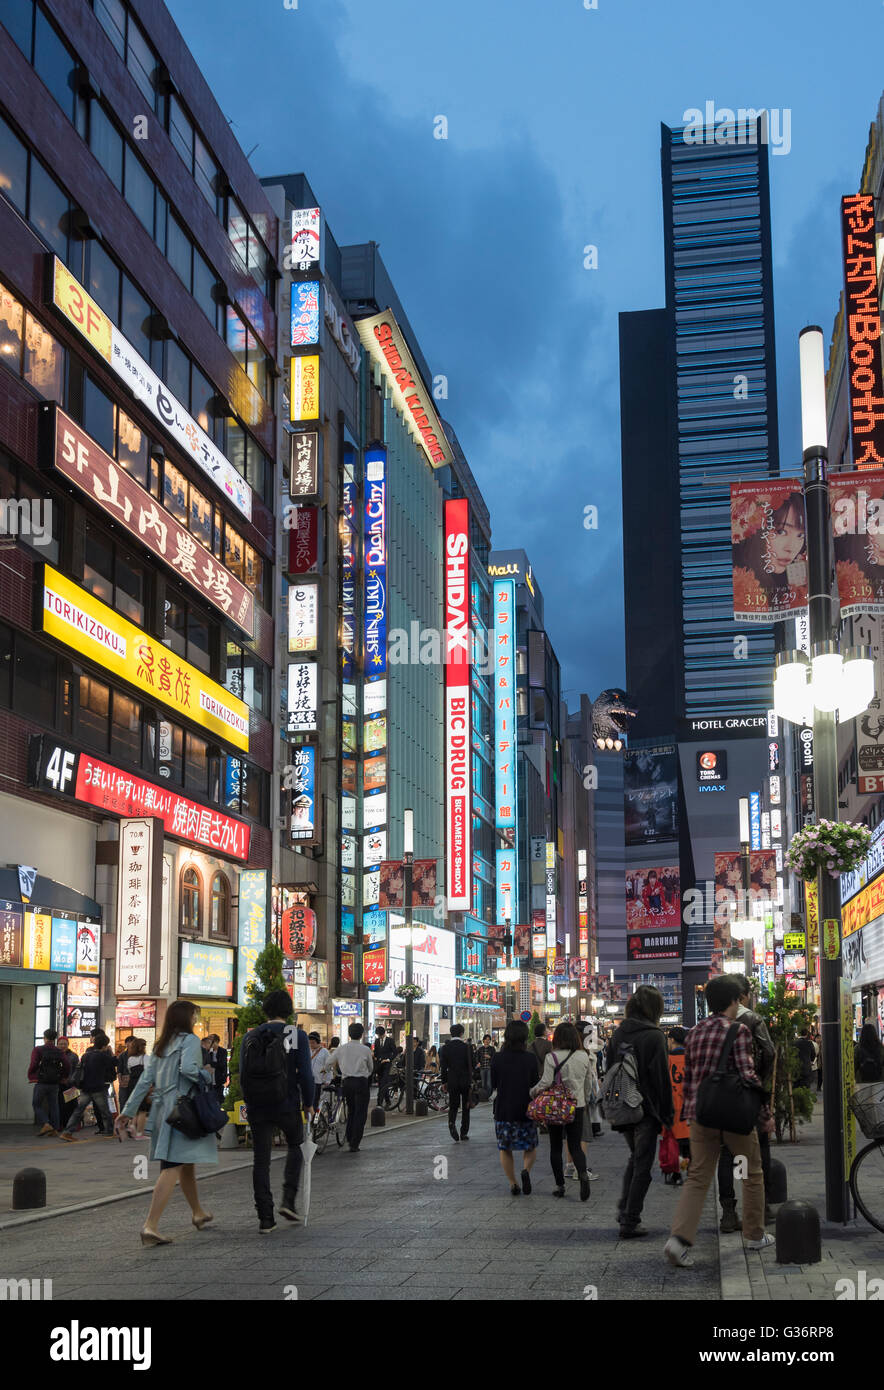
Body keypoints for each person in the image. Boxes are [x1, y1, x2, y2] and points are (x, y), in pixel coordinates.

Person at [664, 976, 773, 1269]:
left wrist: (688, 1114)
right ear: (735, 1001)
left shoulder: (695, 1032)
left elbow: (691, 1078)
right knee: (751, 1171)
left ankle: (678, 1240)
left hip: (702, 1114)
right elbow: (748, 1076)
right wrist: (764, 1114)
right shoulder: (738, 1031)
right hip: (734, 1114)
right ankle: (754, 1235)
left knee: (699, 1177)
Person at [116, 1000, 216, 1243]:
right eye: (194, 1015)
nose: (195, 1020)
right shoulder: (190, 1040)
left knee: (185, 1162)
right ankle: (150, 1225)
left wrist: (128, 1110)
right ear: (185, 1018)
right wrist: (207, 1074)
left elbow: (145, 1081)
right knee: (172, 1166)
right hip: (181, 1109)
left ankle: (198, 1212)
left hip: (162, 1111)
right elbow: (190, 1070)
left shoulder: (161, 1044)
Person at [239, 989, 313, 1234]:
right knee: (296, 1145)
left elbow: (242, 1073)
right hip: (287, 1103)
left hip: (258, 1106)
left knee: (261, 1161)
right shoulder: (296, 1035)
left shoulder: (252, 1035)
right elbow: (305, 1072)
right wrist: (309, 1101)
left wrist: (249, 1102)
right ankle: (288, 1200)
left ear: (265, 1010)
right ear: (288, 1010)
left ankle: (265, 1218)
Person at [606, 985, 673, 1238]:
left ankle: (625, 1209)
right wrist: (668, 1114)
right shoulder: (655, 1036)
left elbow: (611, 1066)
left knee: (636, 1159)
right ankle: (630, 1220)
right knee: (643, 1164)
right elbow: (660, 1079)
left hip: (623, 1106)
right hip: (646, 1109)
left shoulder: (619, 1033)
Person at [716, 975, 776, 1230]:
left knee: (727, 1154)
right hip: (749, 1093)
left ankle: (729, 1212)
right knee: (757, 1152)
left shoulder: (713, 1021)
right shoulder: (752, 1019)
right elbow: (770, 1052)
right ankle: (761, 1208)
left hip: (722, 1096)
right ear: (740, 995)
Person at [531, 1021, 593, 1200]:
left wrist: (533, 1092)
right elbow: (588, 1083)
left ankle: (560, 1185)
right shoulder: (583, 1056)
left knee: (556, 1147)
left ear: (557, 1038)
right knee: (575, 1145)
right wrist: (585, 1099)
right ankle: (582, 1175)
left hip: (556, 1106)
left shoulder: (552, 1057)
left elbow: (545, 1082)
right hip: (577, 1105)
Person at [490, 1019, 540, 1194]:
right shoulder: (530, 1059)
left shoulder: (497, 1058)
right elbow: (535, 1083)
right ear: (525, 1037)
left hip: (504, 1109)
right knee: (530, 1146)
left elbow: (493, 1084)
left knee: (505, 1148)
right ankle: (525, 1171)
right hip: (527, 1109)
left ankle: (513, 1183)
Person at [60, 1030, 117, 1140]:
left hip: (85, 1088)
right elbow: (115, 1062)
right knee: (105, 1110)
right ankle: (109, 1131)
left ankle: (67, 1132)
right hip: (98, 1088)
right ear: (104, 1045)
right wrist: (111, 1052)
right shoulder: (102, 1056)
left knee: (78, 1111)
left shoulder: (86, 1055)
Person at [333, 1022, 375, 1150]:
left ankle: (349, 1136)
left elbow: (329, 1061)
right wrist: (366, 1075)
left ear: (349, 1034)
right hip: (361, 1082)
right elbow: (371, 1067)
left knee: (351, 1111)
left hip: (347, 1083)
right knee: (360, 1113)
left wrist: (328, 1070)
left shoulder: (342, 1048)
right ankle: (354, 1143)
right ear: (361, 1035)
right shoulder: (366, 1049)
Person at [28, 1029, 73, 1135]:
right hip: (55, 1083)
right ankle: (55, 1129)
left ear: (45, 1038)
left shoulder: (38, 1049)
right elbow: (67, 1065)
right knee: (54, 1105)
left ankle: (46, 1123)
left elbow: (34, 1064)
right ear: (55, 1039)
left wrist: (31, 1074)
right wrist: (64, 1076)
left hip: (42, 1082)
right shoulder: (59, 1052)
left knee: (36, 1104)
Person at [440, 1024, 476, 1141]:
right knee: (466, 1107)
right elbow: (473, 1064)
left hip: (452, 1080)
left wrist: (444, 1082)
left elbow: (443, 1067)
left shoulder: (446, 1048)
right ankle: (464, 1132)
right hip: (465, 1080)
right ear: (462, 1033)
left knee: (453, 1105)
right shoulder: (467, 1047)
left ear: (451, 1033)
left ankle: (451, 1123)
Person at [664, 1027, 690, 1185]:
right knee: (687, 1143)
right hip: (688, 1107)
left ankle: (676, 1174)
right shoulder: (691, 1058)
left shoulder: (666, 1059)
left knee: (674, 1143)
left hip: (672, 1107)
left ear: (672, 1040)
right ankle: (686, 1169)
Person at [123, 1038, 150, 1138]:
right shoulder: (146, 1058)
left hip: (132, 1084)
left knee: (135, 1107)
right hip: (142, 1083)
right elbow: (148, 1072)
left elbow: (129, 1070)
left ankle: (132, 1125)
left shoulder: (130, 1059)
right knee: (143, 1110)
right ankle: (139, 1133)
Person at [56, 1037, 79, 1129]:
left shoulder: (73, 1056)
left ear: (68, 1044)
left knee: (72, 1106)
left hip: (71, 1085)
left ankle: (72, 1125)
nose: (62, 1046)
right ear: (57, 1045)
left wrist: (69, 1080)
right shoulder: (55, 1055)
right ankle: (60, 1124)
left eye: (64, 1044)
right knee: (60, 1105)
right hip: (58, 1084)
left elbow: (77, 1071)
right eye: (60, 1044)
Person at [308, 1031, 334, 1110]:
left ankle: (314, 1119)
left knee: (315, 1101)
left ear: (318, 1042)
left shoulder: (325, 1052)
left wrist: (327, 1080)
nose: (311, 1045)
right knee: (307, 1101)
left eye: (313, 1043)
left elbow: (329, 1067)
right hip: (307, 1080)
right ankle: (308, 1118)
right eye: (310, 1043)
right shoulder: (307, 1050)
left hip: (318, 1081)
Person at [373, 1025, 396, 1108]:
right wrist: (376, 1058)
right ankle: (388, 1101)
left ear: (383, 1033)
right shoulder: (376, 1041)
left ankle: (379, 1103)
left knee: (383, 1083)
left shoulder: (390, 1040)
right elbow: (376, 1052)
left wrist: (389, 1059)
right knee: (382, 1083)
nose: (379, 1037)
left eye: (380, 1035)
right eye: (378, 1035)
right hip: (379, 1064)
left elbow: (395, 1052)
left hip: (387, 1064)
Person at [202, 1034, 228, 1107]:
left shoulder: (222, 1051)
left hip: (219, 1078)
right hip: (210, 1078)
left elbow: (221, 1064)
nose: (210, 1044)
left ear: (216, 1042)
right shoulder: (208, 1052)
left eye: (211, 1042)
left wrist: (211, 1064)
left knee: (219, 1098)